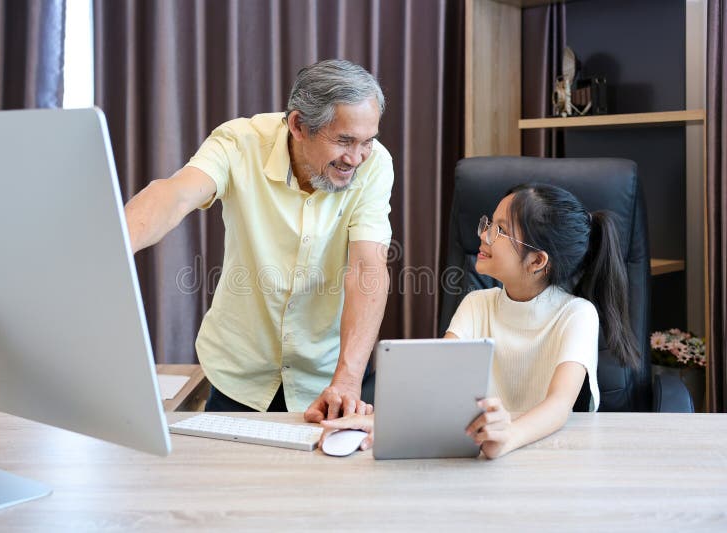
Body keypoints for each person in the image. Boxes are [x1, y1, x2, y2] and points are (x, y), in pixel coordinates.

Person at [125, 59, 392, 421]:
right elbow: (176, 195)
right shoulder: (240, 141)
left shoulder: (375, 165)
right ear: (299, 125)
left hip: (326, 379)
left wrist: (347, 379)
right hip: (239, 377)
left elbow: (366, 268)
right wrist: (111, 247)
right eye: (344, 140)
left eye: (367, 142)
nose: (356, 157)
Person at [320, 183, 640, 458]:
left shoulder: (577, 314)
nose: (484, 235)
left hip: (552, 458)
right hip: (479, 454)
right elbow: (435, 384)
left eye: (500, 230)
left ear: (537, 261)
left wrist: (507, 437)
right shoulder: (476, 304)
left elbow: (559, 405)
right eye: (490, 224)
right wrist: (385, 421)